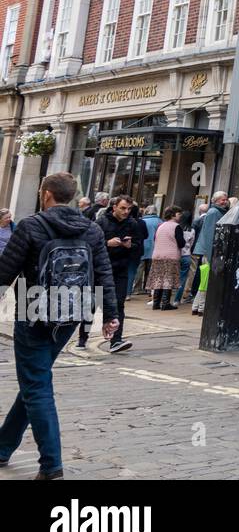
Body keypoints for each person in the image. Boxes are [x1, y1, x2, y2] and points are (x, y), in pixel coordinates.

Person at [0, 173, 120, 479]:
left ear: (46, 194)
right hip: (72, 313)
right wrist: (110, 316)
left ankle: (51, 465)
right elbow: (103, 273)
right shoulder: (91, 229)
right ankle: (3, 447)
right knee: (34, 381)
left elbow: (5, 272)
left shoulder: (31, 225)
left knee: (36, 385)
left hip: (34, 310)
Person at [86, 196, 145, 354]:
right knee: (91, 304)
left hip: (120, 270)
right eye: (123, 208)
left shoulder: (133, 224)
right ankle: (82, 338)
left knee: (118, 304)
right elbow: (88, 245)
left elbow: (139, 247)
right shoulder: (101, 222)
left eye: (129, 209)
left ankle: (116, 340)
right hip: (100, 270)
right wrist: (107, 243)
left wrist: (129, 245)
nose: (126, 212)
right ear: (114, 208)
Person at [188, 192, 229, 310]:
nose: (225, 201)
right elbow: (210, 234)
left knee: (205, 280)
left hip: (208, 251)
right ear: (215, 201)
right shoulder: (214, 212)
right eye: (222, 200)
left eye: (226, 199)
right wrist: (212, 255)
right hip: (209, 252)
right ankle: (201, 307)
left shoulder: (215, 212)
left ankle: (197, 306)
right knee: (206, 280)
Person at [146, 206, 184, 310]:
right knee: (168, 279)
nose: (180, 216)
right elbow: (181, 243)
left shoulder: (160, 225)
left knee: (159, 279)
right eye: (179, 213)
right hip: (170, 256)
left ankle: (156, 303)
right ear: (173, 215)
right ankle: (165, 303)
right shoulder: (176, 226)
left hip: (157, 255)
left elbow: (155, 238)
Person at [175, 205, 201, 306]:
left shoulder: (177, 228)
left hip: (176, 254)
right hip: (186, 255)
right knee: (182, 278)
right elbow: (191, 243)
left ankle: (165, 298)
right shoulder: (192, 230)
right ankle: (177, 299)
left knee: (172, 277)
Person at [134, 204, 162, 297]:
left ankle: (137, 288)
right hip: (155, 247)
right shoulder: (160, 222)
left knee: (139, 268)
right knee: (150, 269)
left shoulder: (142, 221)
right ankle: (148, 288)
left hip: (143, 246)